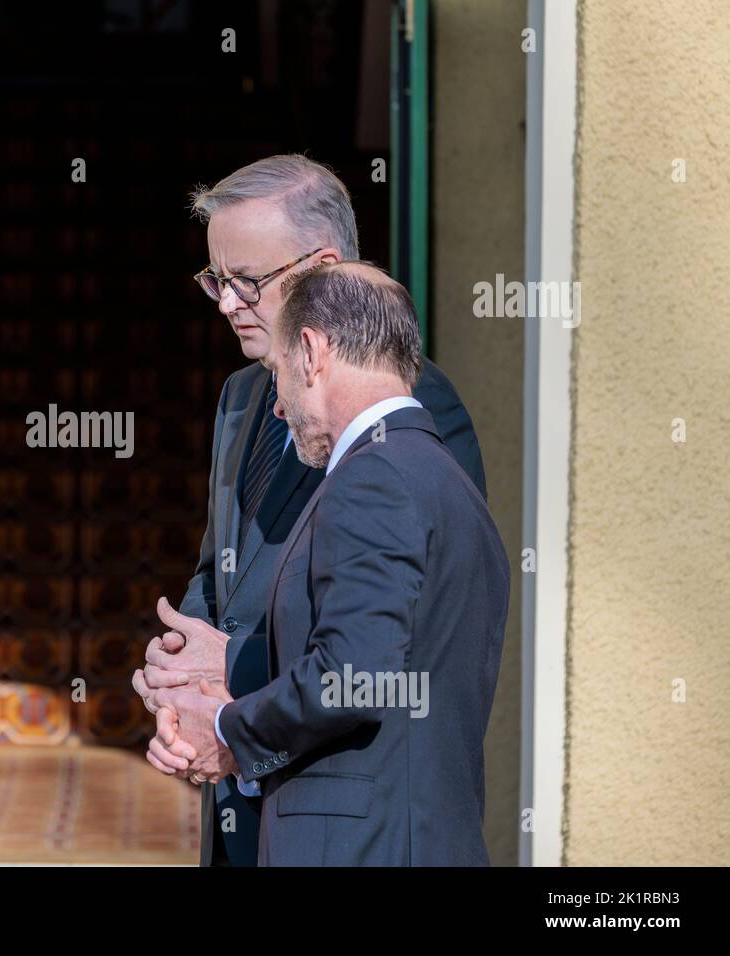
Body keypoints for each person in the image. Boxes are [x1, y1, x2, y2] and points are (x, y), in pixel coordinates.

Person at [132, 154, 487, 866]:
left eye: (246, 282)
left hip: (347, 810)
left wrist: (231, 681)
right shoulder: (241, 397)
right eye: (215, 281)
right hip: (254, 804)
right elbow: (221, 573)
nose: (227, 303)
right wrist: (181, 676)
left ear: (321, 268)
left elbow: (389, 638)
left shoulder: (412, 410)